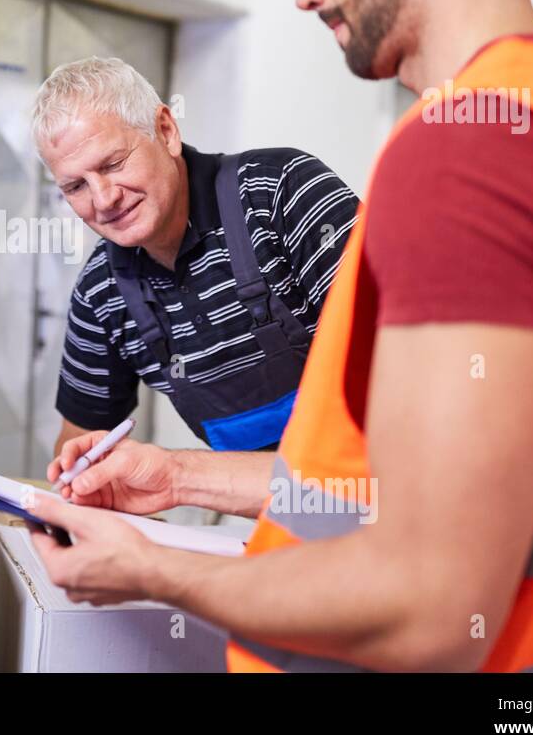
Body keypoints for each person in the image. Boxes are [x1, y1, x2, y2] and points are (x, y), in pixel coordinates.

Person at [30, 0, 533, 672]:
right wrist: (178, 479)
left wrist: (155, 567)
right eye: (73, 185)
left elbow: (429, 599)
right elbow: (380, 485)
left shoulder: (462, 155)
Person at [35, 56, 358, 469]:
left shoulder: (279, 192)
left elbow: (395, 370)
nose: (103, 199)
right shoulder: (102, 292)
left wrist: (179, 475)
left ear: (166, 131)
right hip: (272, 514)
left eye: (113, 164)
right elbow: (81, 444)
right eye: (76, 186)